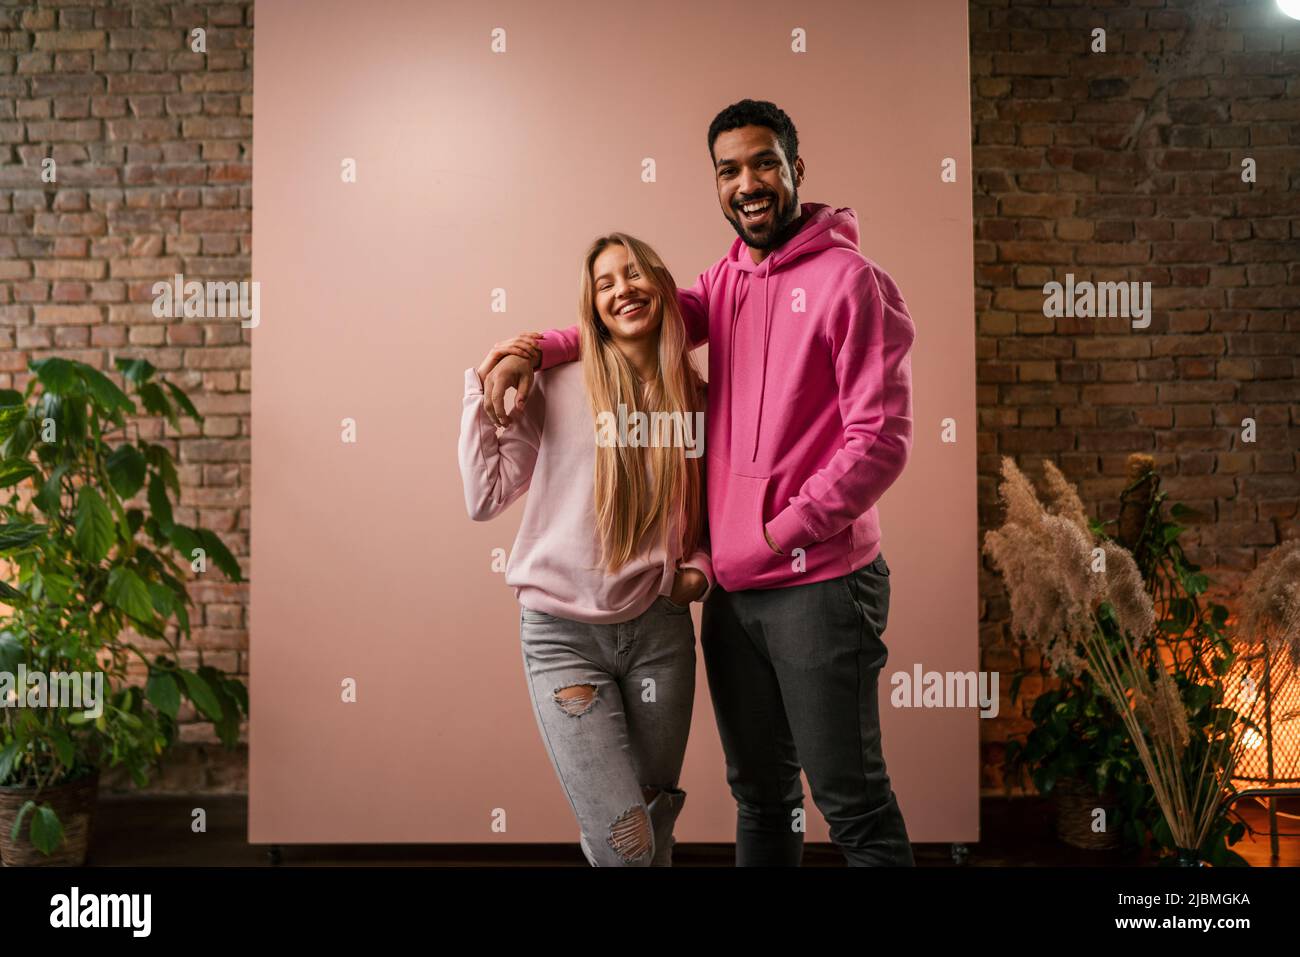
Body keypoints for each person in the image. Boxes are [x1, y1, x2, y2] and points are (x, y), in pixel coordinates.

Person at [478, 99, 917, 866]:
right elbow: (629, 318)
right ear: (717, 183)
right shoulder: (727, 281)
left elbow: (880, 444)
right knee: (762, 795)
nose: (747, 182)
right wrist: (533, 349)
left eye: (763, 163)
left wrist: (777, 532)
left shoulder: (854, 282)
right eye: (729, 170)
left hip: (818, 582)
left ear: (795, 170)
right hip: (734, 594)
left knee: (852, 804)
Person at [458, 232, 712, 866]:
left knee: (656, 829)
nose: (622, 289)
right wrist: (482, 392)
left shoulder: (697, 397)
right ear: (593, 306)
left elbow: (712, 514)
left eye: (634, 274)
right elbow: (485, 497)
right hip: (563, 637)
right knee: (626, 845)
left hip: (661, 631)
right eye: (605, 283)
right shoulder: (557, 381)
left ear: (662, 285)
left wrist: (700, 572)